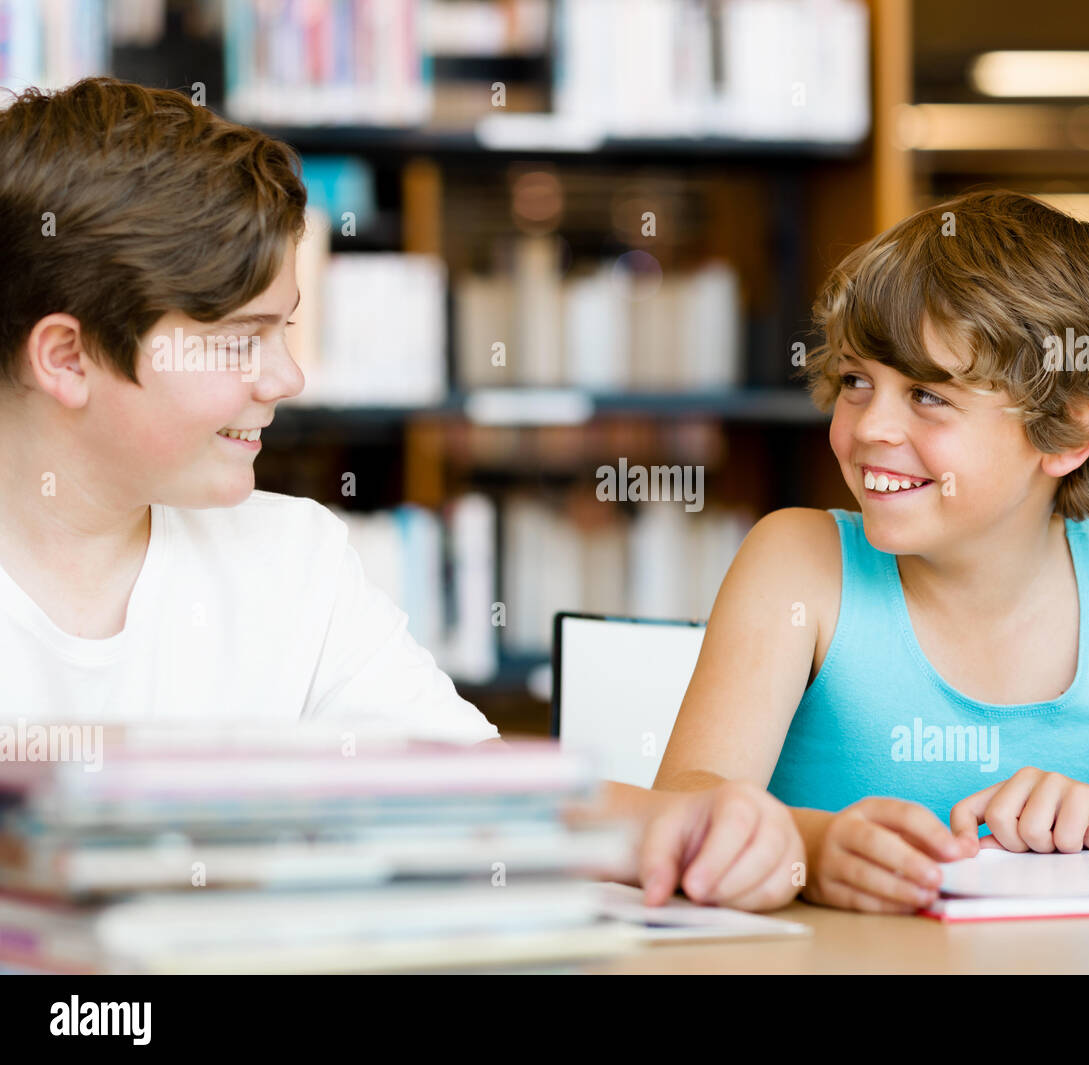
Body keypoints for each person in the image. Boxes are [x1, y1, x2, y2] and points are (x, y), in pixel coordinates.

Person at [0, 77, 803, 914]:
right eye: (241, 341)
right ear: (68, 357)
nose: (286, 377)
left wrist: (679, 826)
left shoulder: (289, 560)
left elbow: (468, 790)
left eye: (285, 329)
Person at [654, 189, 1089, 913]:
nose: (870, 429)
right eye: (856, 381)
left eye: (929, 395)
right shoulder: (798, 563)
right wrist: (812, 845)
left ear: (1066, 433)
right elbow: (686, 800)